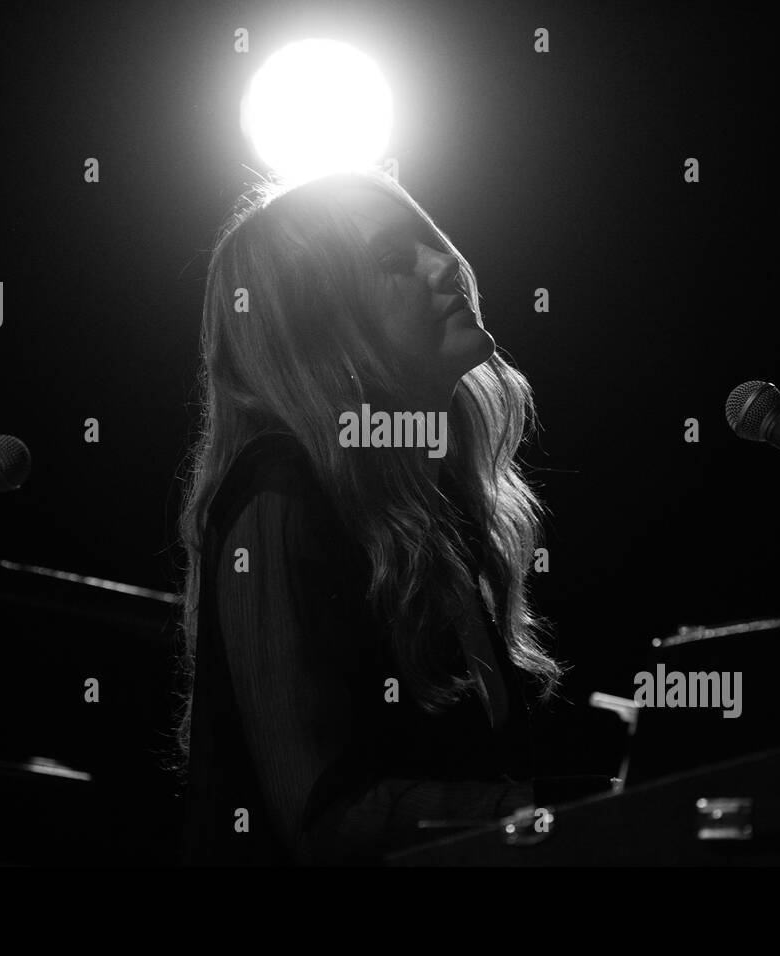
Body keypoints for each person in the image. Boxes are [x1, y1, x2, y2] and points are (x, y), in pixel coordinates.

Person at [172, 169, 603, 865]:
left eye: (431, 243)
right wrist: (570, 810)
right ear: (318, 326)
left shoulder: (445, 514)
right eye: (394, 261)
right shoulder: (280, 495)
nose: (447, 267)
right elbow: (323, 819)